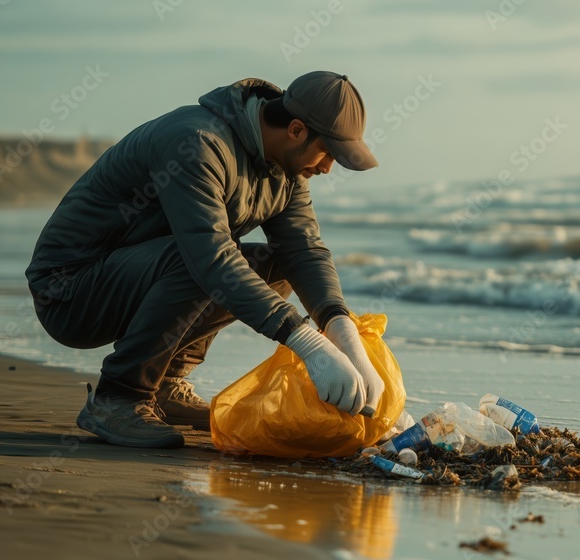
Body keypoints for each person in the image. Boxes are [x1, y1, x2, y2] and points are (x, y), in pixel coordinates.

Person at [25, 71, 385, 449]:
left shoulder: (287, 170)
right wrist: (308, 344)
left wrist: (342, 333)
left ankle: (166, 383)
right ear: (296, 130)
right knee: (202, 260)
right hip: (70, 290)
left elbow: (304, 251)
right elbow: (210, 257)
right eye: (327, 152)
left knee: (275, 264)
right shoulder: (197, 142)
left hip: (137, 274)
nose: (328, 168)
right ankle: (119, 398)